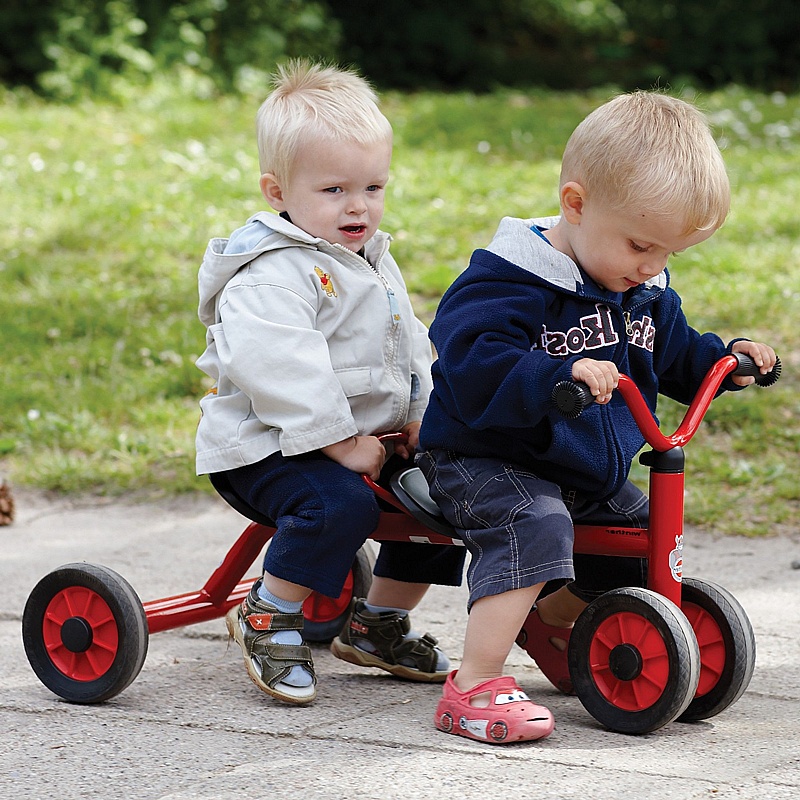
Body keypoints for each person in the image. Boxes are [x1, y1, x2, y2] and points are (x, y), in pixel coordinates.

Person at [416, 90, 778, 744]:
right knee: (536, 521)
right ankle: (471, 683)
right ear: (575, 205)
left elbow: (675, 352)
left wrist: (724, 360)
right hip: (485, 458)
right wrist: (555, 375)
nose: (653, 266)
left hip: (578, 465)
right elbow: (470, 359)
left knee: (640, 527)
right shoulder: (510, 278)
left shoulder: (639, 288)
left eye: (670, 253)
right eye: (642, 245)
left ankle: (577, 626)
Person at [195, 60, 466, 705]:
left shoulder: (367, 258)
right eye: (335, 190)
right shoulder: (271, 275)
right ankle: (267, 614)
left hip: (360, 440)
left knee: (450, 493)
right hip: (266, 449)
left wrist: (422, 412)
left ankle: (376, 623)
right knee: (340, 506)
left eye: (373, 187)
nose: (359, 206)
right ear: (277, 190)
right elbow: (281, 369)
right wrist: (340, 442)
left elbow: (409, 342)